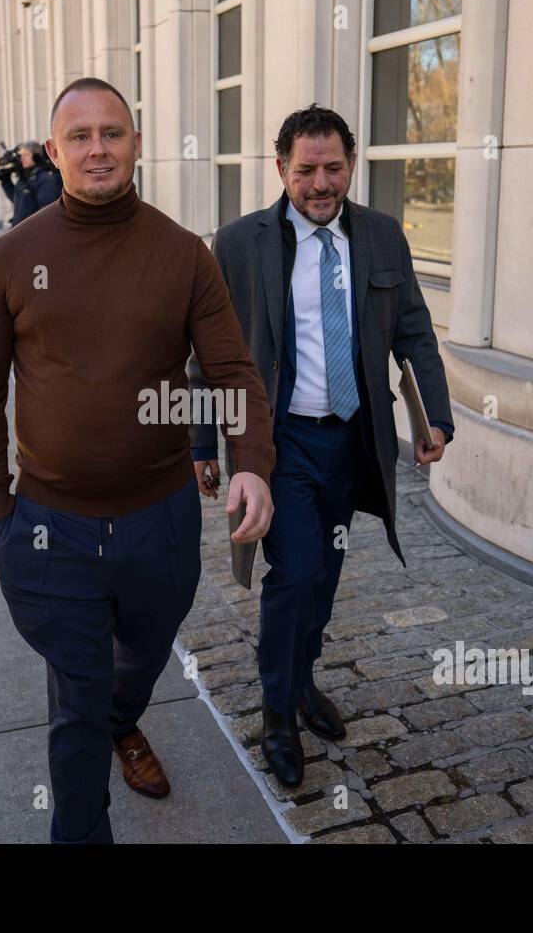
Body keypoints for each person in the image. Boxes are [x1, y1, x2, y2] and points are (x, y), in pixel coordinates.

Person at [0, 77, 276, 845]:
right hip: (48, 528)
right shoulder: (8, 258)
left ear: (136, 143)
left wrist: (252, 462)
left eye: (112, 133)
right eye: (80, 136)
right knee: (74, 704)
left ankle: (124, 720)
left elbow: (232, 373)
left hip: (159, 521)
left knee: (141, 653)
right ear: (54, 150)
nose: (97, 148)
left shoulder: (183, 254)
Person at [188, 104, 453, 787]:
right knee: (296, 573)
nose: (320, 183)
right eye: (305, 169)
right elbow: (206, 354)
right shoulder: (241, 244)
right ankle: (278, 711)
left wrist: (436, 418)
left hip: (353, 441)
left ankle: (303, 681)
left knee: (326, 580)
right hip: (277, 445)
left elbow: (414, 332)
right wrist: (200, 444)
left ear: (351, 165)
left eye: (333, 167)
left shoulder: (383, 238)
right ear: (281, 168)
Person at [0, 140, 62, 226]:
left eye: (26, 155)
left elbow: (45, 211)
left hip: (32, 233)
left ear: (36, 157)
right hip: (18, 230)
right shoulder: (24, 177)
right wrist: (6, 181)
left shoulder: (45, 179)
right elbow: (17, 200)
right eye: (21, 156)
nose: (22, 159)